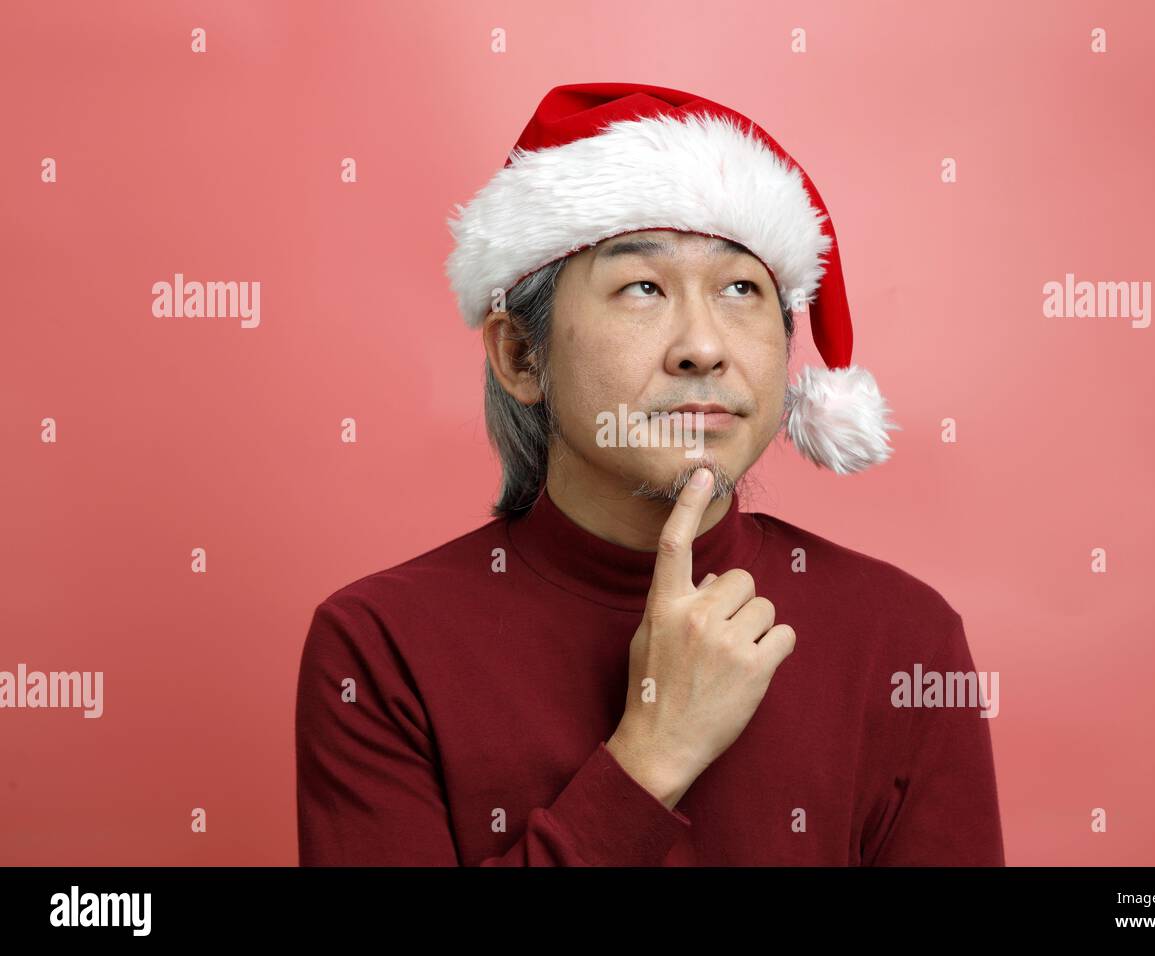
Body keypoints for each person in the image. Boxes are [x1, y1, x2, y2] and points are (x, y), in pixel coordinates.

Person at [294, 82, 1005, 866]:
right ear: (520, 356)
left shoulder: (903, 638)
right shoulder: (381, 646)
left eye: (741, 289)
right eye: (643, 287)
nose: (703, 346)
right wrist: (651, 757)